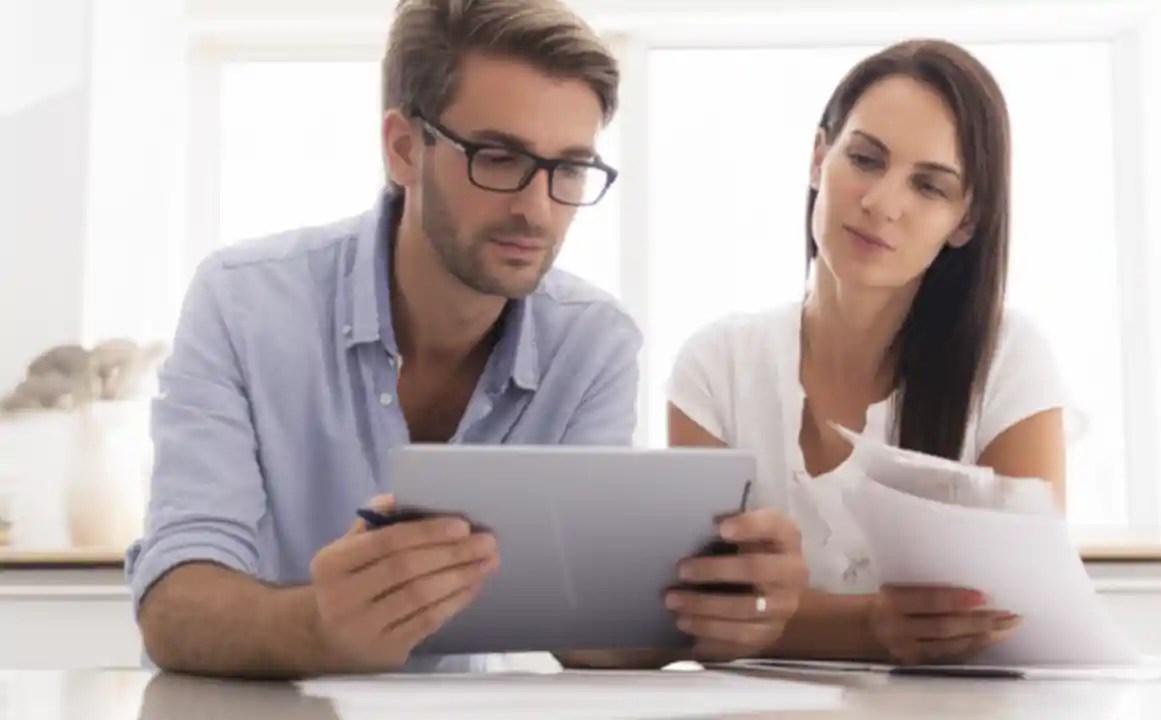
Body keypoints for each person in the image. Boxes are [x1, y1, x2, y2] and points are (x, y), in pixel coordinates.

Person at [128, 0, 806, 679]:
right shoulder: (244, 303)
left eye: (569, 168)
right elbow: (175, 602)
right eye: (499, 156)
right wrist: (320, 627)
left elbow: (585, 634)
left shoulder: (592, 343)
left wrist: (708, 610)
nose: (537, 210)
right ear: (402, 149)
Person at [667, 39, 1068, 665]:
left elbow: (1018, 614)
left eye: (930, 187)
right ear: (818, 158)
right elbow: (701, 611)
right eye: (864, 159)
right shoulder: (716, 366)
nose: (882, 203)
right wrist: (869, 626)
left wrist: (787, 618)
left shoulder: (1009, 360)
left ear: (966, 221)